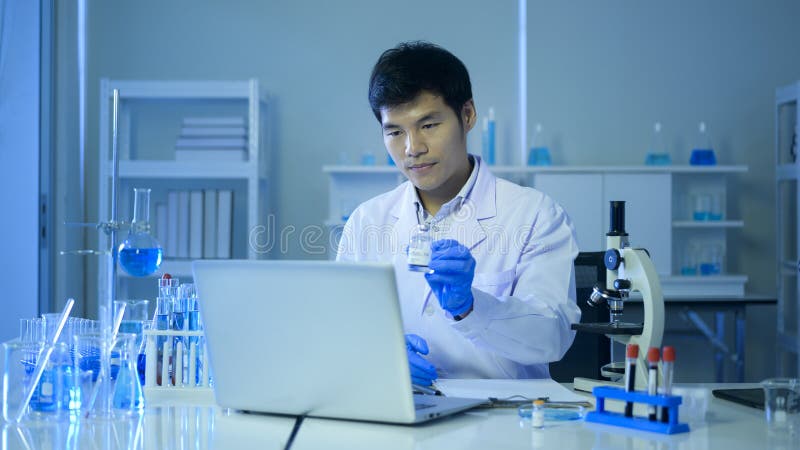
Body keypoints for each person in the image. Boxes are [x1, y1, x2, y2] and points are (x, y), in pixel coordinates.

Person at [337, 41, 580, 386]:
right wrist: (379, 356)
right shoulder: (367, 221)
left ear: (467, 115)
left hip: (504, 418)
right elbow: (342, 328)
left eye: (429, 125)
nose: (412, 148)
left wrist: (470, 307)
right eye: (394, 131)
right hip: (400, 411)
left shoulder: (535, 215)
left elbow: (553, 335)